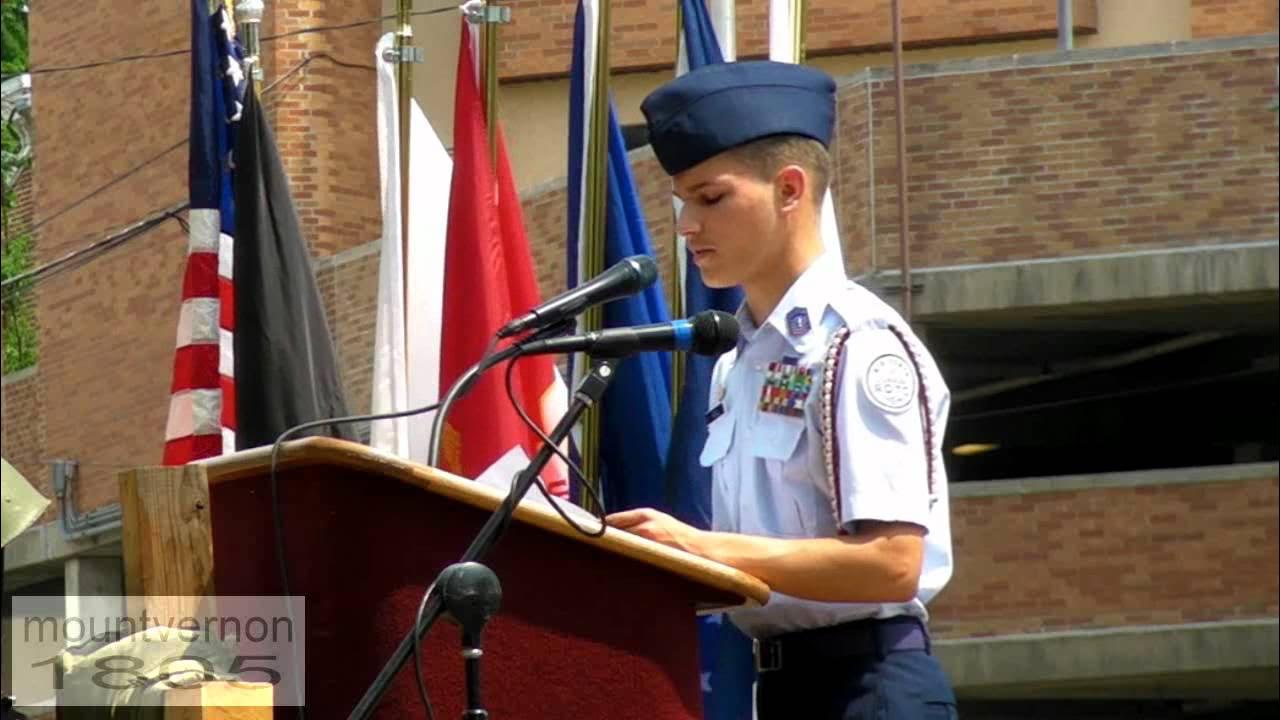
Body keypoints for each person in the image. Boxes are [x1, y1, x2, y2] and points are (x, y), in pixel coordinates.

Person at [605, 60, 958, 719]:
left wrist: (700, 547)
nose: (686, 226)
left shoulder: (856, 344)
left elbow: (892, 563)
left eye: (710, 198)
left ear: (790, 189)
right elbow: (760, 563)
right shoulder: (734, 360)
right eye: (682, 203)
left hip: (871, 687)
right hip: (781, 686)